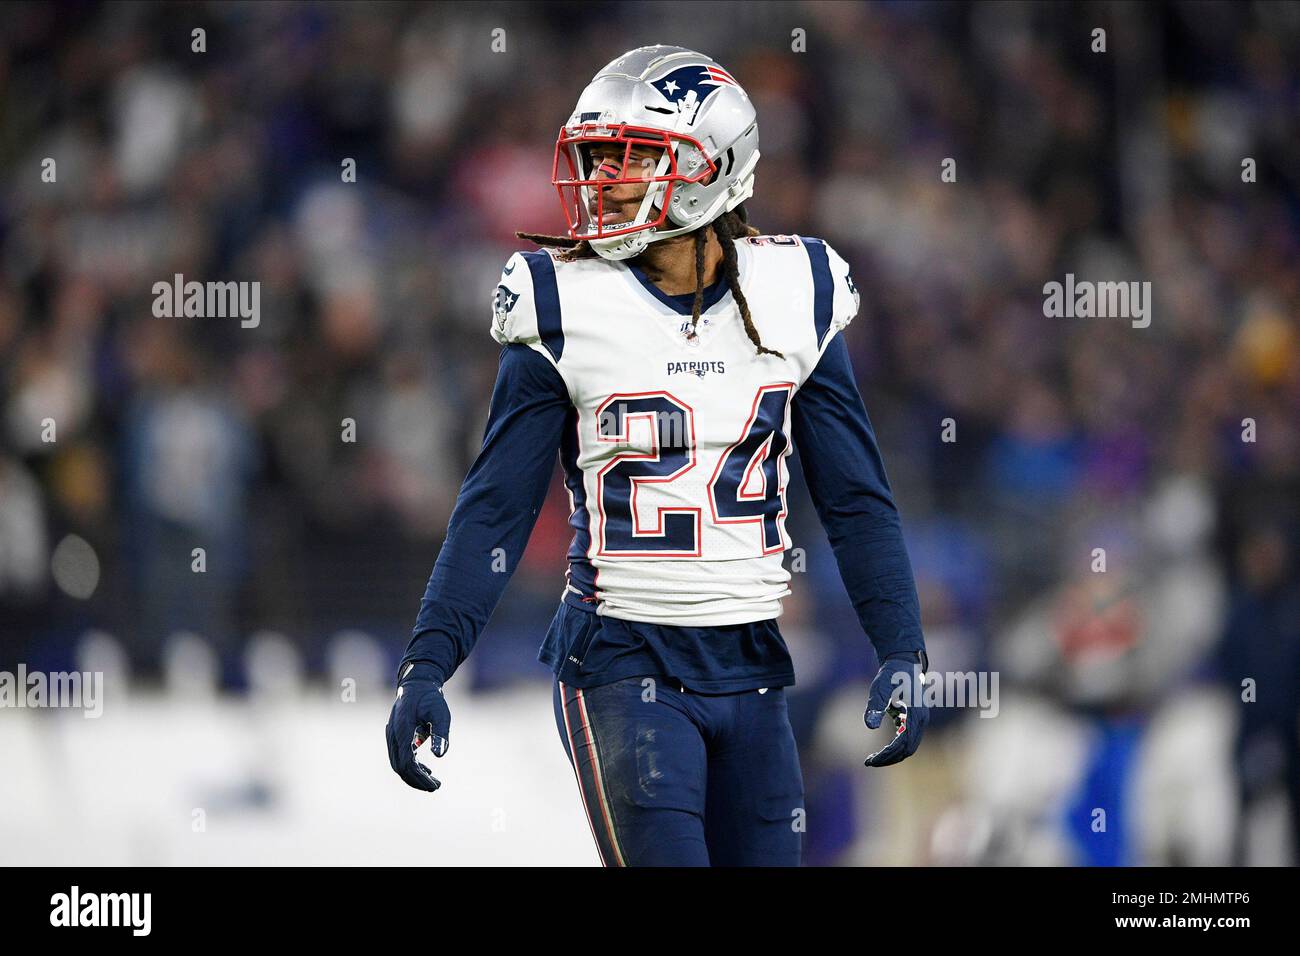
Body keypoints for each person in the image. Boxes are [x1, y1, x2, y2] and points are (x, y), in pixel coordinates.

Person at [386, 45, 929, 866]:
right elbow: (494, 505)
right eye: (596, 160)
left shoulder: (795, 290)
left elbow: (855, 497)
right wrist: (431, 660)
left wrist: (900, 645)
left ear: (711, 168)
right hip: (620, 658)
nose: (602, 182)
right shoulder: (562, 299)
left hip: (751, 660)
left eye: (631, 161)